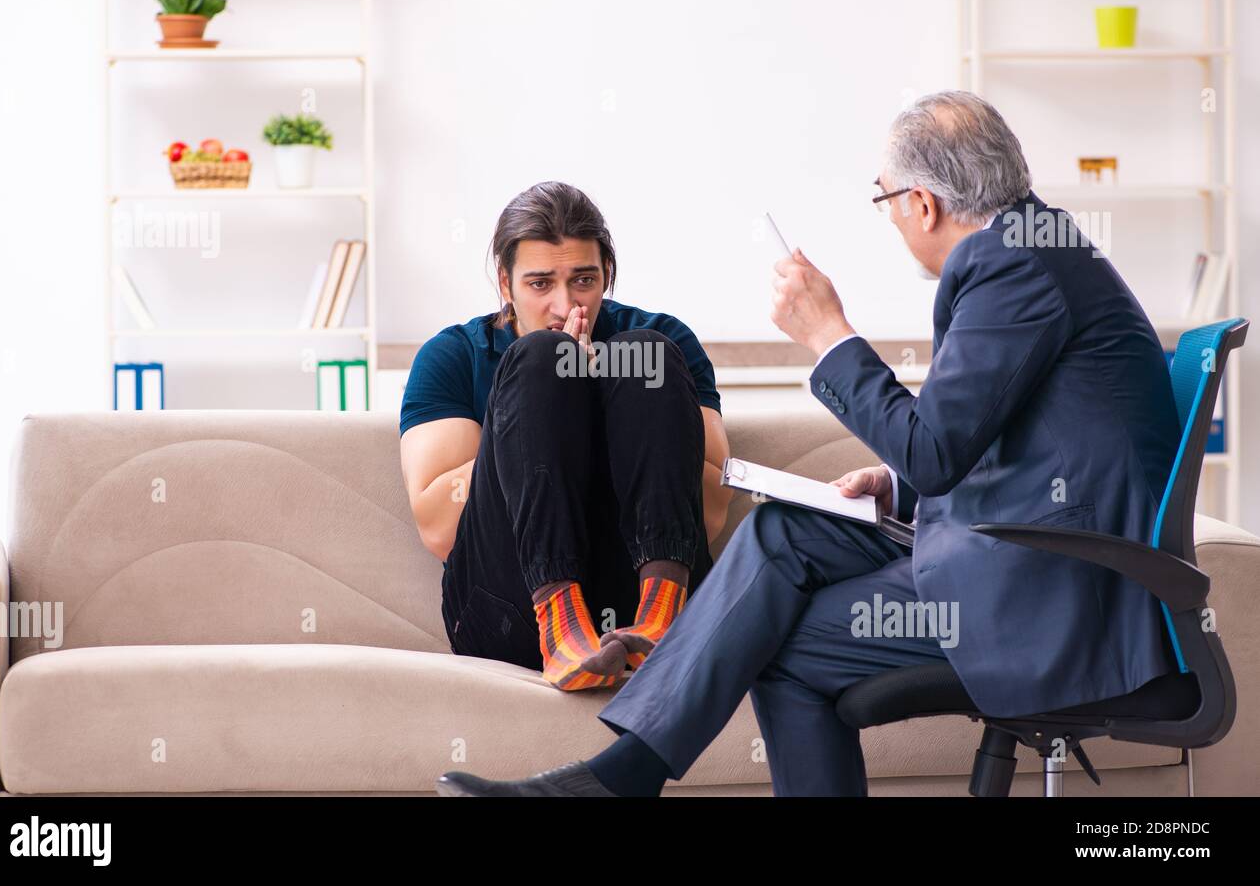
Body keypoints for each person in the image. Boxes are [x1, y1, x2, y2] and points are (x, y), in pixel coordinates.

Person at [435, 90, 1183, 796]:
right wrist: (898, 486)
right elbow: (979, 439)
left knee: (779, 643)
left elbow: (939, 448)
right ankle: (625, 772)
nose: (890, 219)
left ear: (922, 203)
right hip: (1010, 540)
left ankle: (624, 773)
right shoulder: (1030, 249)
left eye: (885, 199)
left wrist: (828, 333)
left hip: (1046, 586)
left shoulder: (1013, 264)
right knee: (780, 530)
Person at [399, 180, 734, 692]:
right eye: (539, 284)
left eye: (583, 280)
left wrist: (605, 394)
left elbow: (709, 513)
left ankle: (660, 616)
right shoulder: (454, 354)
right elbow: (440, 529)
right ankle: (561, 623)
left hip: (641, 592)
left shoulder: (664, 340)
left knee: (645, 353)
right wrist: (542, 405)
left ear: (606, 278)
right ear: (504, 284)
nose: (563, 304)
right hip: (511, 610)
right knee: (540, 361)